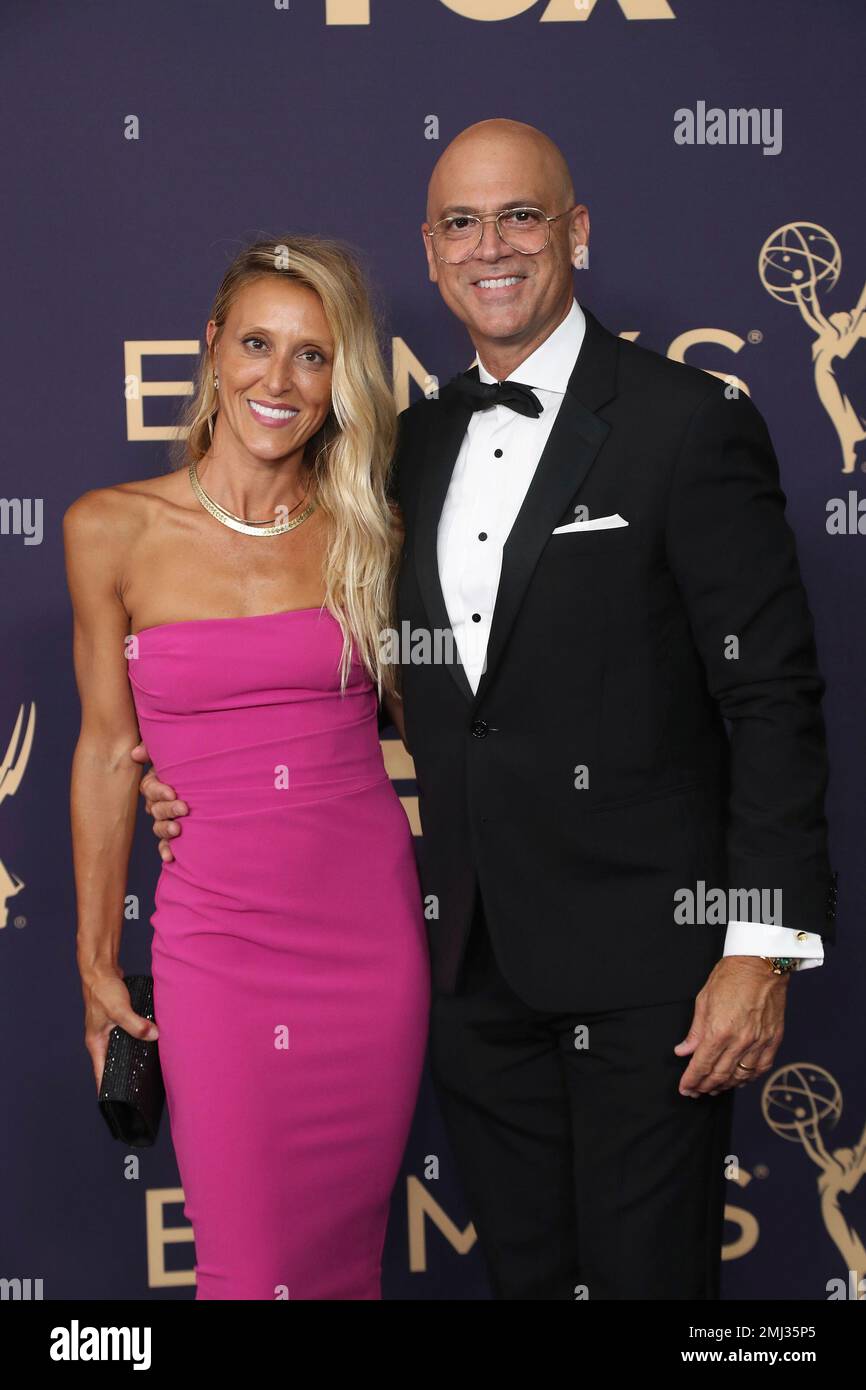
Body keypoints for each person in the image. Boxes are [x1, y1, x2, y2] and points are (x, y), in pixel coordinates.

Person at [141, 120, 837, 1301]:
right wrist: (199, 780)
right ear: (430, 250)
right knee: (525, 1281)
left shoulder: (683, 422)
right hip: (465, 969)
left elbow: (769, 698)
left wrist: (759, 948)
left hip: (648, 975)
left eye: (519, 216)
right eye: (460, 223)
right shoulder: (398, 456)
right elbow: (358, 674)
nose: (490, 247)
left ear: (573, 232)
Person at [64, 236, 430, 1301]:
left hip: (365, 940)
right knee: (251, 1268)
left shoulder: (374, 529)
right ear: (212, 348)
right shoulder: (111, 529)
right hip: (218, 942)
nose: (281, 379)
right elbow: (104, 749)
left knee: (339, 1268)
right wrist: (95, 966)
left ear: (340, 379)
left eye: (313, 357)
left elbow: (460, 724)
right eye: (259, 344)